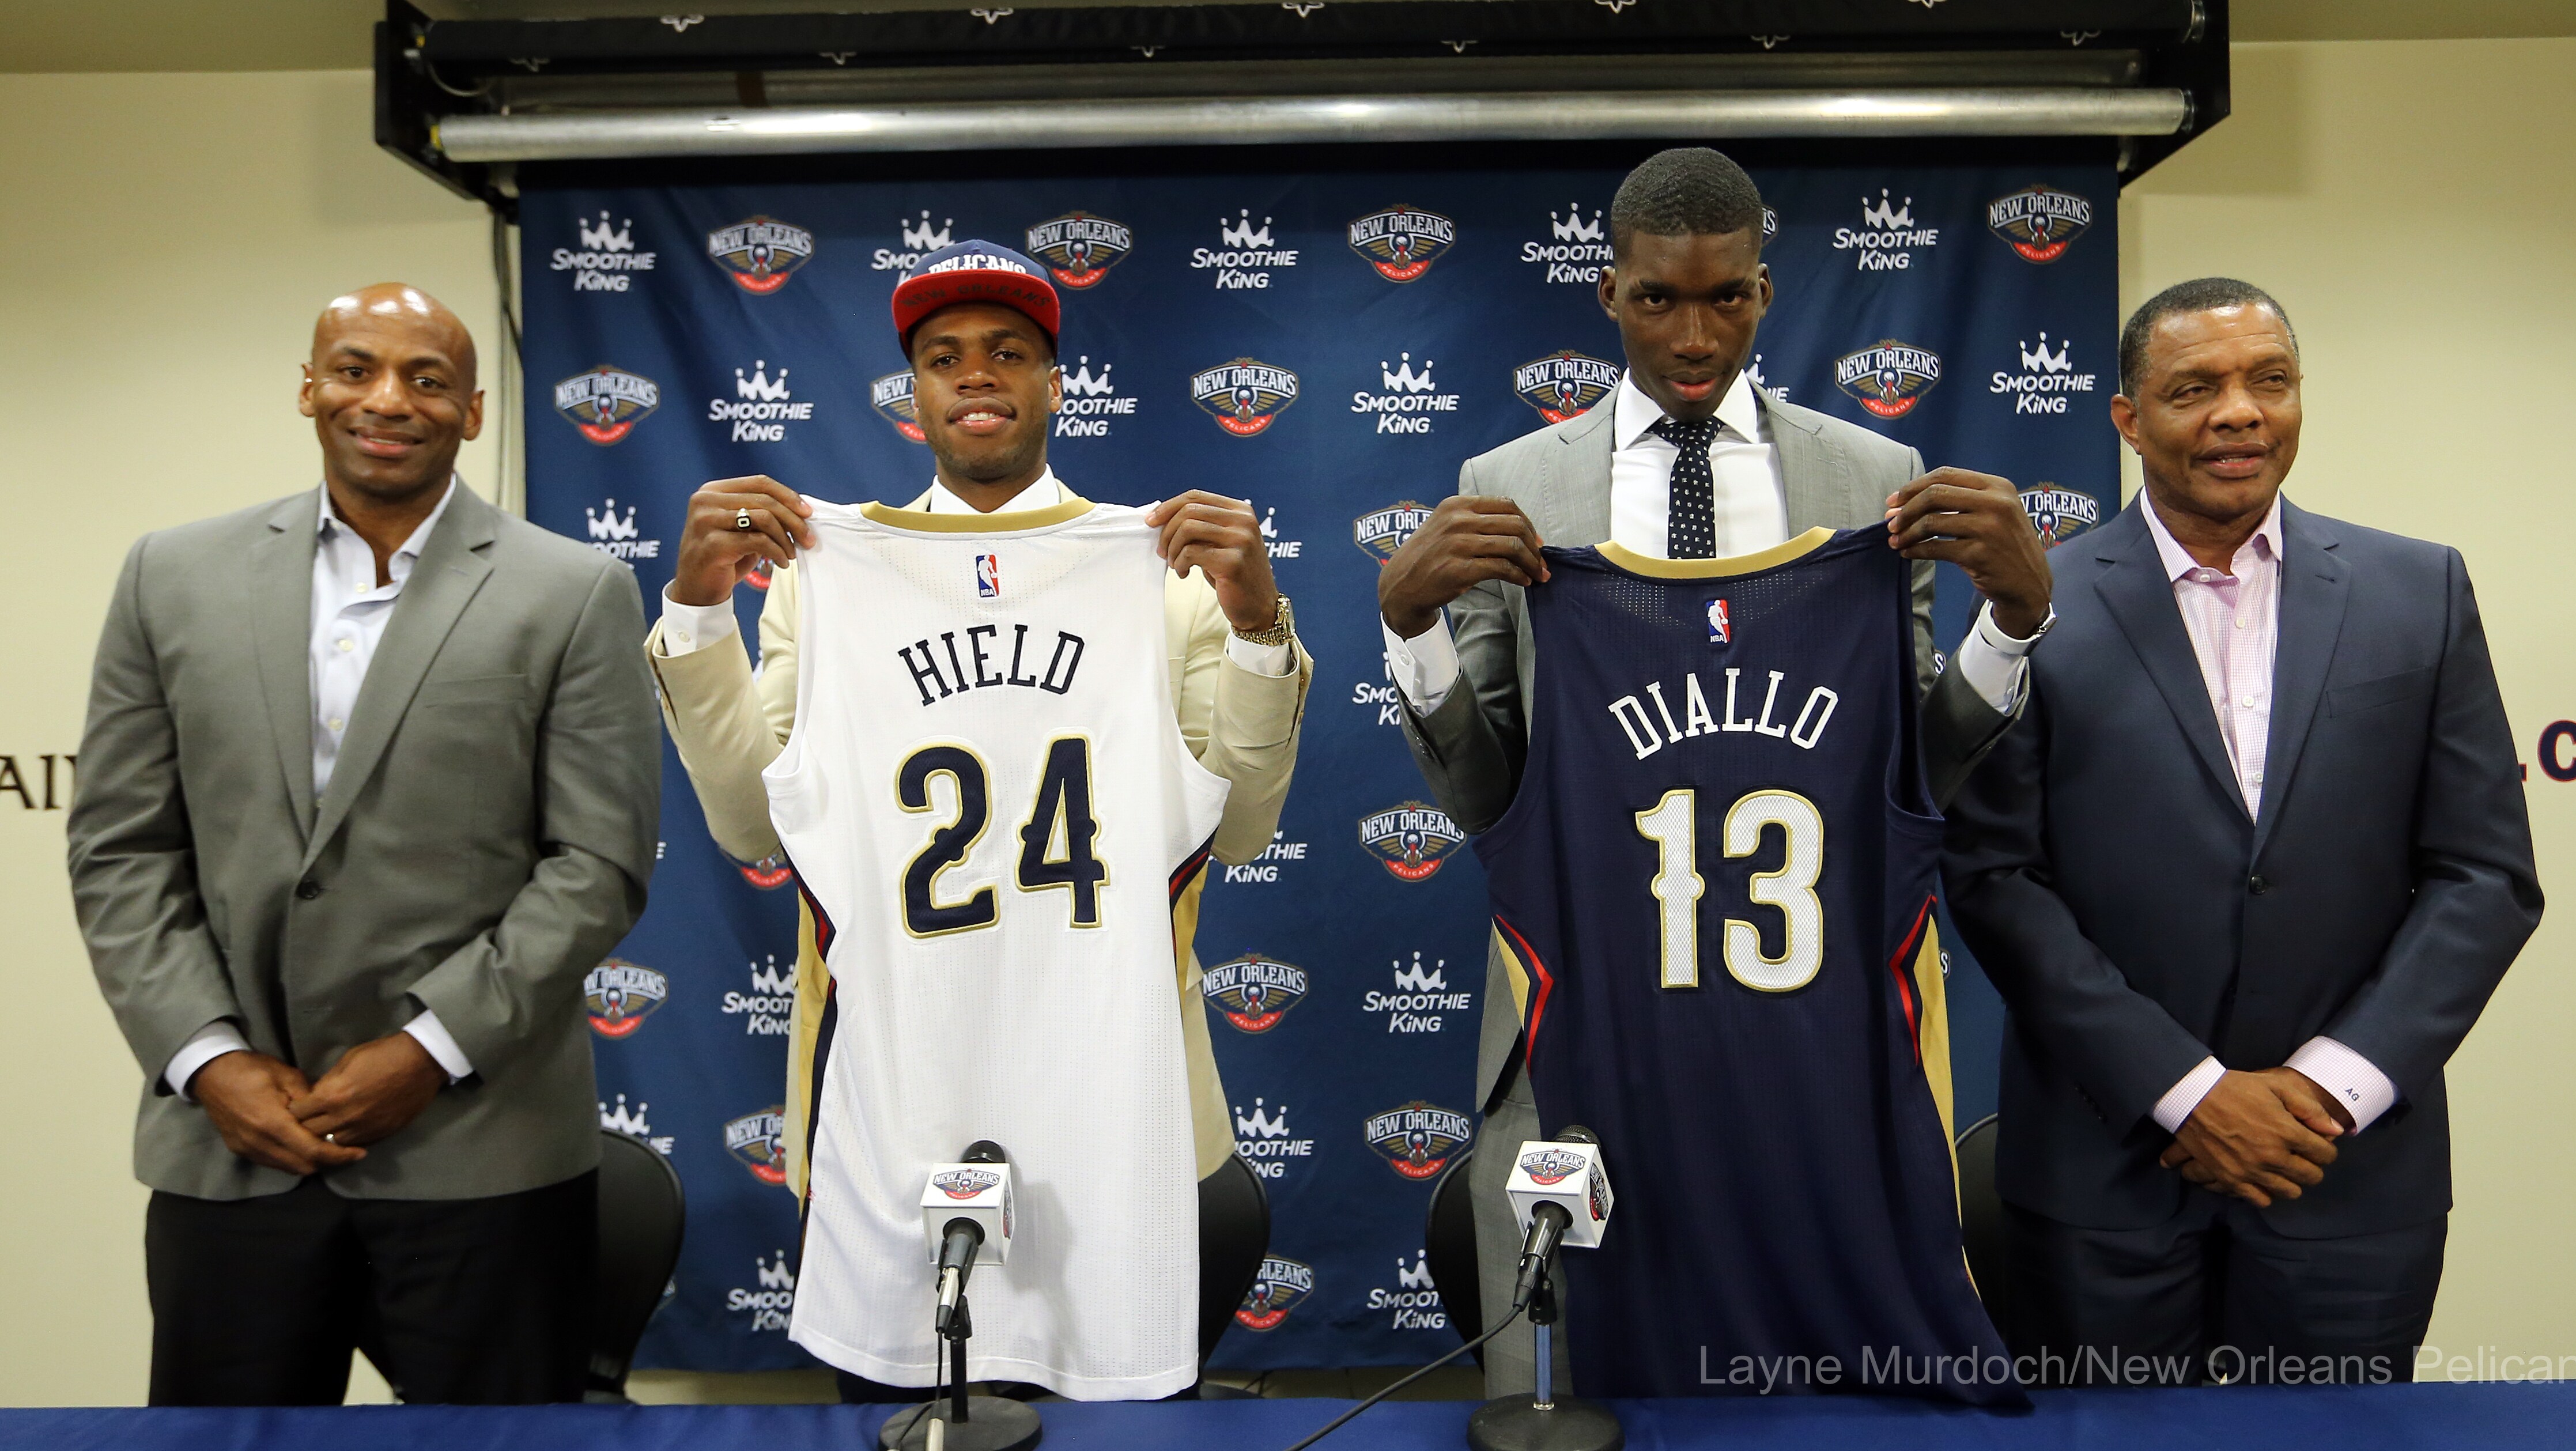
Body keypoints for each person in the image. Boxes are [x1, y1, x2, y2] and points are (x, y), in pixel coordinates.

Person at [1376, 146, 2053, 1399]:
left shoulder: (1871, 478)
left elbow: (1911, 771)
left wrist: (2008, 625)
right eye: (1658, 299)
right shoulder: (1511, 487)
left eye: (1726, 297)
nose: (1695, 336)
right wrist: (1411, 635)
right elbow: (1491, 799)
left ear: (1765, 289)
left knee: (1826, 1405)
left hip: (1810, 1010)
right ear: (1607, 290)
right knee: (1571, 1396)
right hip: (1585, 1005)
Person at [648, 241, 1310, 1400]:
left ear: (1057, 383)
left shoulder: (1162, 570)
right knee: (905, 1426)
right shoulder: (824, 574)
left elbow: (1241, 826)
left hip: (1124, 1099)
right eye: (943, 356)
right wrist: (703, 619)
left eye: (1008, 351)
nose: (976, 375)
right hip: (901, 1096)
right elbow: (760, 826)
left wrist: (1259, 628)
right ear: (913, 395)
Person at [1942, 278, 2541, 1388]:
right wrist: (2186, 1091)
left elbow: (2486, 876)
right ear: (2127, 419)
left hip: (2346, 1173)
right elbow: (1993, 875)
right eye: (2196, 387)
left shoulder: (2421, 591)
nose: (2240, 411)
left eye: (2270, 381)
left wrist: (2328, 1088)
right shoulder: (2036, 612)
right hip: (2101, 1178)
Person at [67, 284, 660, 1405]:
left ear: (473, 411)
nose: (387, 399)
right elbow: (120, 848)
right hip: (231, 1147)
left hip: (482, 1152)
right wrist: (208, 1058)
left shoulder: (573, 590)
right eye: (354, 367)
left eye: (426, 378)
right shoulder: (170, 575)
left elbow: (598, 862)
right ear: (309, 386)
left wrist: (429, 1047)